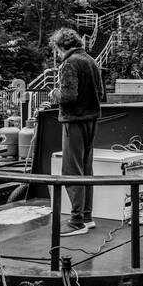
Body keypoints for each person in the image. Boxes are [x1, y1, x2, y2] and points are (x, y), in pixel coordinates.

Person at [48, 27, 104, 236]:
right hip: (92, 120)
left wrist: (54, 93)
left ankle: (76, 221)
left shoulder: (69, 63)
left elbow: (68, 95)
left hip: (74, 121)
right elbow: (100, 93)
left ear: (61, 46)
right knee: (86, 169)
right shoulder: (91, 61)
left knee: (72, 170)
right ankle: (87, 217)